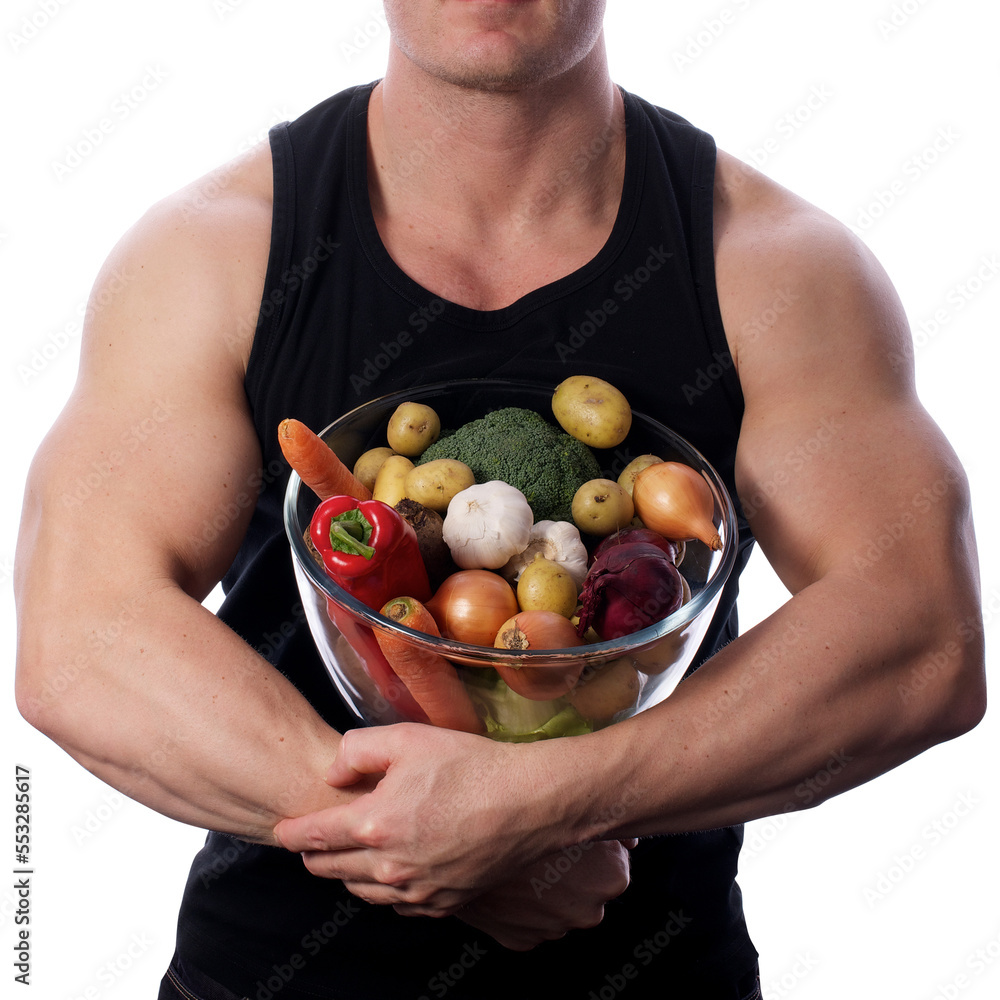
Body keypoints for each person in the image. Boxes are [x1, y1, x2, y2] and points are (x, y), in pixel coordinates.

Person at [14, 2, 986, 998]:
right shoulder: (214, 255)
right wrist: (422, 827)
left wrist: (547, 802)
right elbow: (79, 635)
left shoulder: (776, 267)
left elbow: (918, 639)